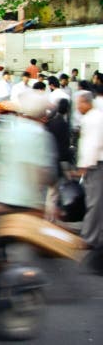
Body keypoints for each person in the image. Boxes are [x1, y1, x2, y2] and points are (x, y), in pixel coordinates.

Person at [0, 89, 56, 212]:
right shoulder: (39, 133)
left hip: (1, 196)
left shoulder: (9, 126)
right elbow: (43, 173)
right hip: (26, 201)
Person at [75, 91, 103, 253]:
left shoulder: (93, 119)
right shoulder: (95, 116)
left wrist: (84, 166)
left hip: (95, 164)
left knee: (94, 202)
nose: (78, 107)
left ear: (87, 103)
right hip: (96, 162)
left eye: (79, 103)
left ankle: (89, 238)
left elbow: (93, 144)